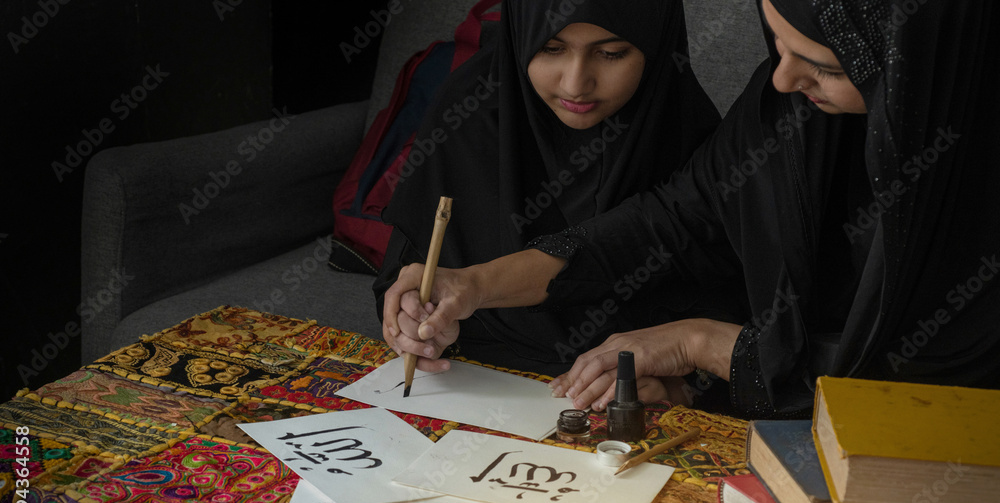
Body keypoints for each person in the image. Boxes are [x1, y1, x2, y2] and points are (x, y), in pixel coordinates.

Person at [383, 0, 1000, 418]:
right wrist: (473, 284)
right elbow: (664, 220)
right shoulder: (790, 112)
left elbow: (910, 399)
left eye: (820, 65)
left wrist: (701, 344)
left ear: (910, 69)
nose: (781, 80)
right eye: (775, 45)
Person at [374, 0, 734, 379]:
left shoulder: (694, 142)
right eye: (550, 48)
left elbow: (739, 314)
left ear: (657, 46)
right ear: (521, 38)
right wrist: (413, 322)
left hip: (624, 394)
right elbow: (404, 273)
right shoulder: (469, 109)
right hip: (469, 377)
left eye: (611, 53)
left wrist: (684, 386)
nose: (575, 84)